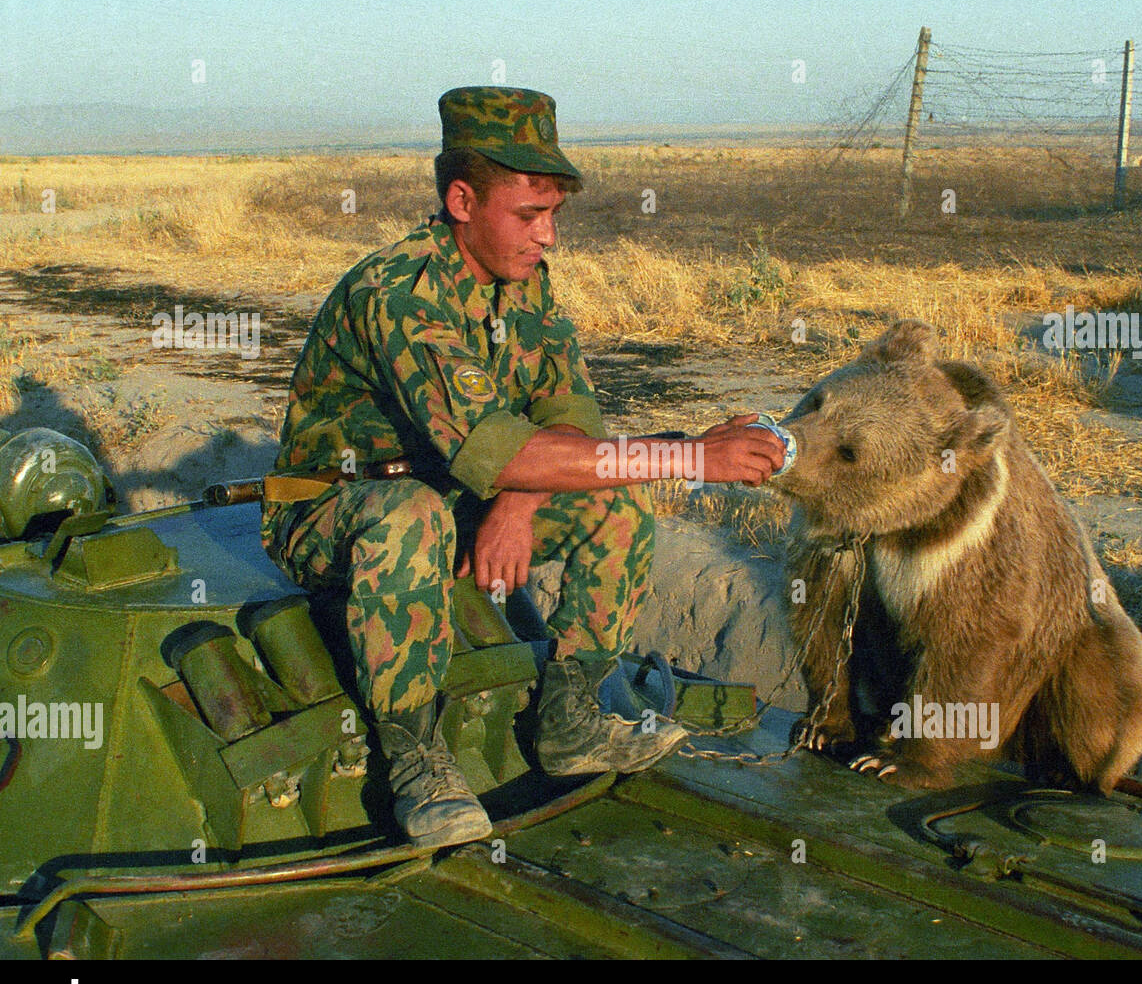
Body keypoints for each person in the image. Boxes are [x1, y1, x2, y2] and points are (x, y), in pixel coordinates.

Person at [261, 86, 785, 849]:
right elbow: (503, 447)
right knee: (411, 514)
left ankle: (570, 718)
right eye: (529, 215)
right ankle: (414, 756)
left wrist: (515, 504)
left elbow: (567, 414)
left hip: (457, 491)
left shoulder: (522, 282)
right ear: (462, 199)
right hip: (332, 510)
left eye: (554, 216)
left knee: (617, 502)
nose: (549, 238)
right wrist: (690, 457)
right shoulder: (400, 292)